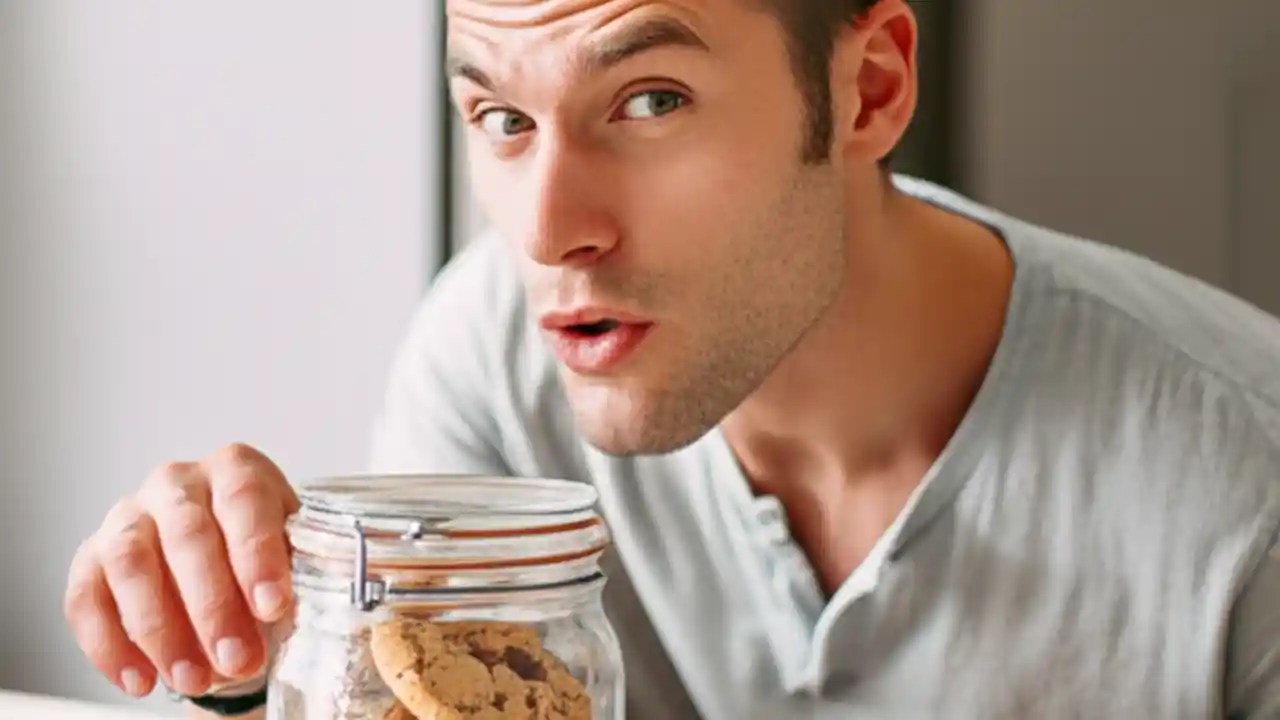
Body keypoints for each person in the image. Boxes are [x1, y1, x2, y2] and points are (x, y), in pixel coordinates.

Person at [63, 0, 1280, 717]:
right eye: (501, 118)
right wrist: (272, 658)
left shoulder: (1243, 490)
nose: (546, 233)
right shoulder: (493, 353)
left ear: (868, 88)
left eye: (648, 101)